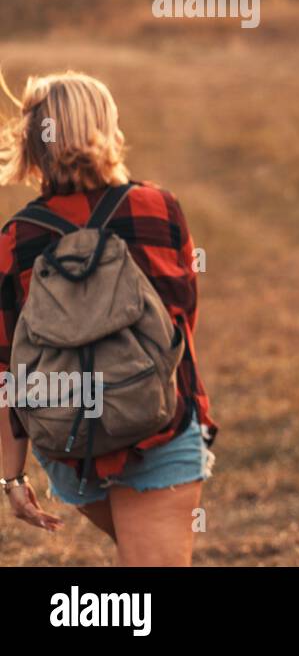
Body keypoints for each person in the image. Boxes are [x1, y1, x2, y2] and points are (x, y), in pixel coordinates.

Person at [0, 70, 216, 566]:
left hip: (69, 441)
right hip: (156, 424)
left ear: (34, 143)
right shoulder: (157, 209)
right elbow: (180, 323)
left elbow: (7, 370)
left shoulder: (17, 238)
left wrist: (12, 477)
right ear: (108, 129)